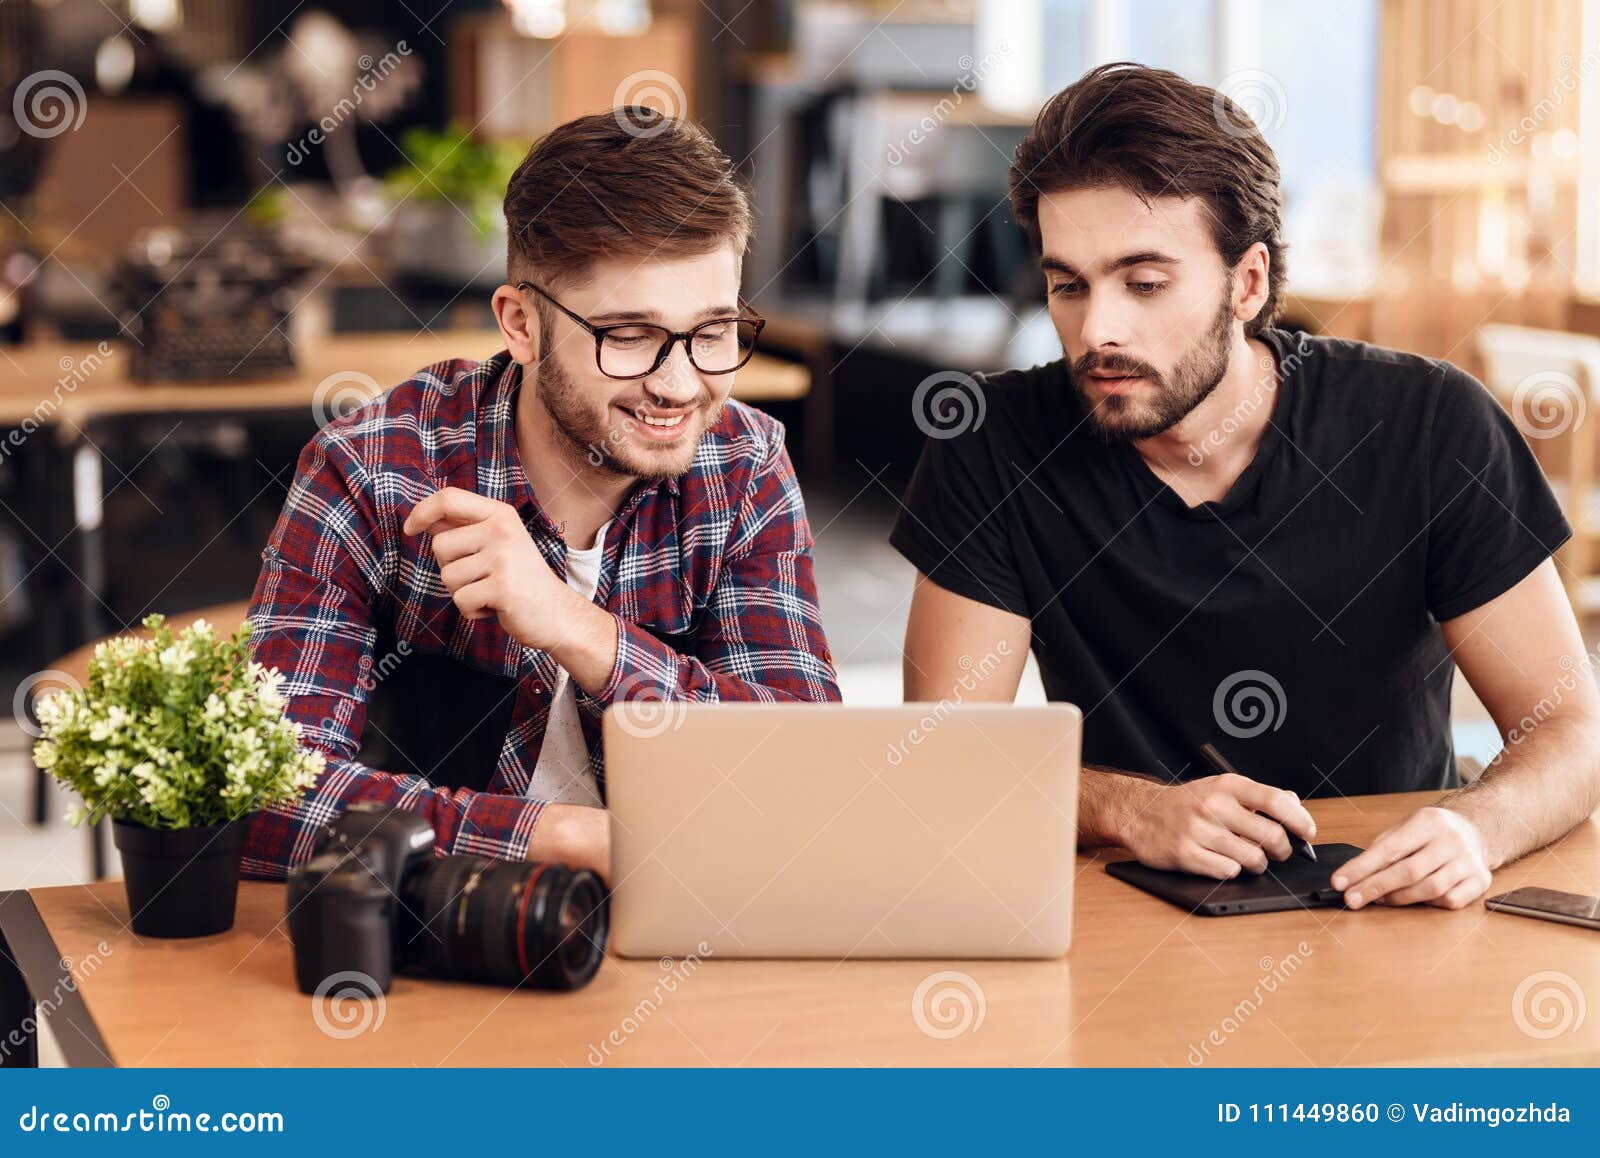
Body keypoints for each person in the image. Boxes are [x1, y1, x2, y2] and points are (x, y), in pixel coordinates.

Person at [893, 63, 1600, 910]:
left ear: (1250, 282)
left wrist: (1476, 827)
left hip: (1388, 907)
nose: (1098, 329)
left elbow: (1570, 731)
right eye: (1067, 285)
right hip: (1121, 910)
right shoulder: (991, 442)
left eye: (1145, 283)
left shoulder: (1427, 422)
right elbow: (943, 757)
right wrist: (1127, 808)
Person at [244, 108, 839, 882]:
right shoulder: (372, 469)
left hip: (689, 939)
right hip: (448, 945)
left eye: (714, 330)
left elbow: (809, 774)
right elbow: (265, 797)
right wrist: (563, 841)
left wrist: (578, 631)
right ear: (521, 325)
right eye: (628, 335)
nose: (680, 383)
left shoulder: (744, 465)